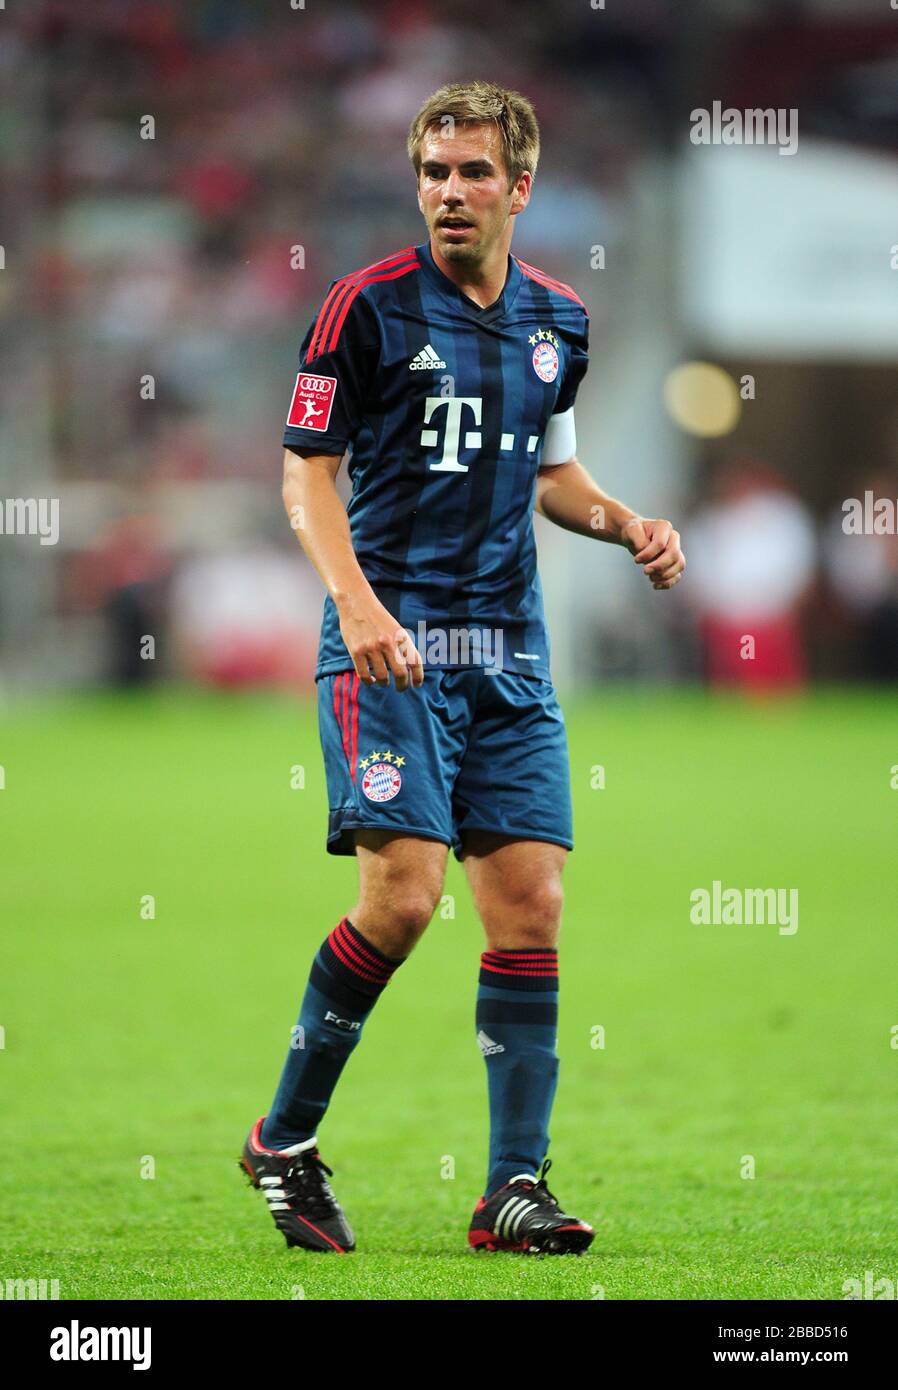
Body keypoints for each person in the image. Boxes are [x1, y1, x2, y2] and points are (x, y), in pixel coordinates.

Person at [240, 81, 685, 1255]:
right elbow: (306, 474)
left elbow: (552, 478)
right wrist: (355, 601)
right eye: (433, 172)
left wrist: (628, 522)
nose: (448, 191)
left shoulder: (560, 324)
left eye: (473, 172)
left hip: (509, 649)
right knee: (402, 898)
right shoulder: (364, 308)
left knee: (530, 901)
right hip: (387, 645)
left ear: (519, 187)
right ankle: (282, 1140)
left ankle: (511, 1190)